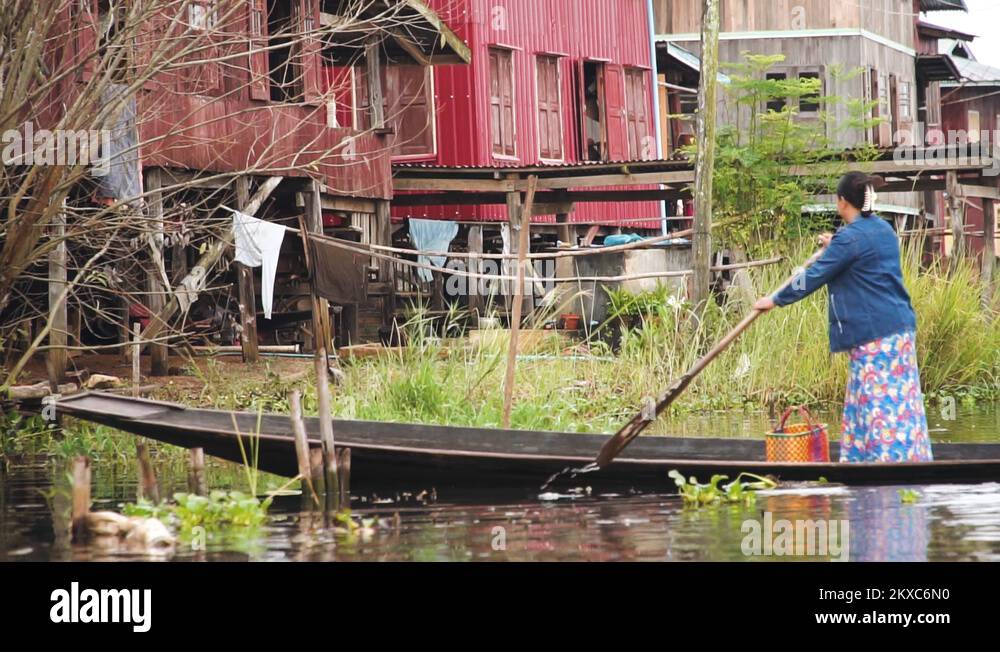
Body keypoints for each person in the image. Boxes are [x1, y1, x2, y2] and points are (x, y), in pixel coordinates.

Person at [753, 171, 933, 463]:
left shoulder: (849, 240)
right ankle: (897, 460)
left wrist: (775, 299)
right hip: (900, 330)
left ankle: (882, 464)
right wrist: (835, 244)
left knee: (877, 405)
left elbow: (812, 277)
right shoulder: (883, 229)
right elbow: (859, 250)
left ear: (841, 202)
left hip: (875, 335)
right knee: (897, 402)